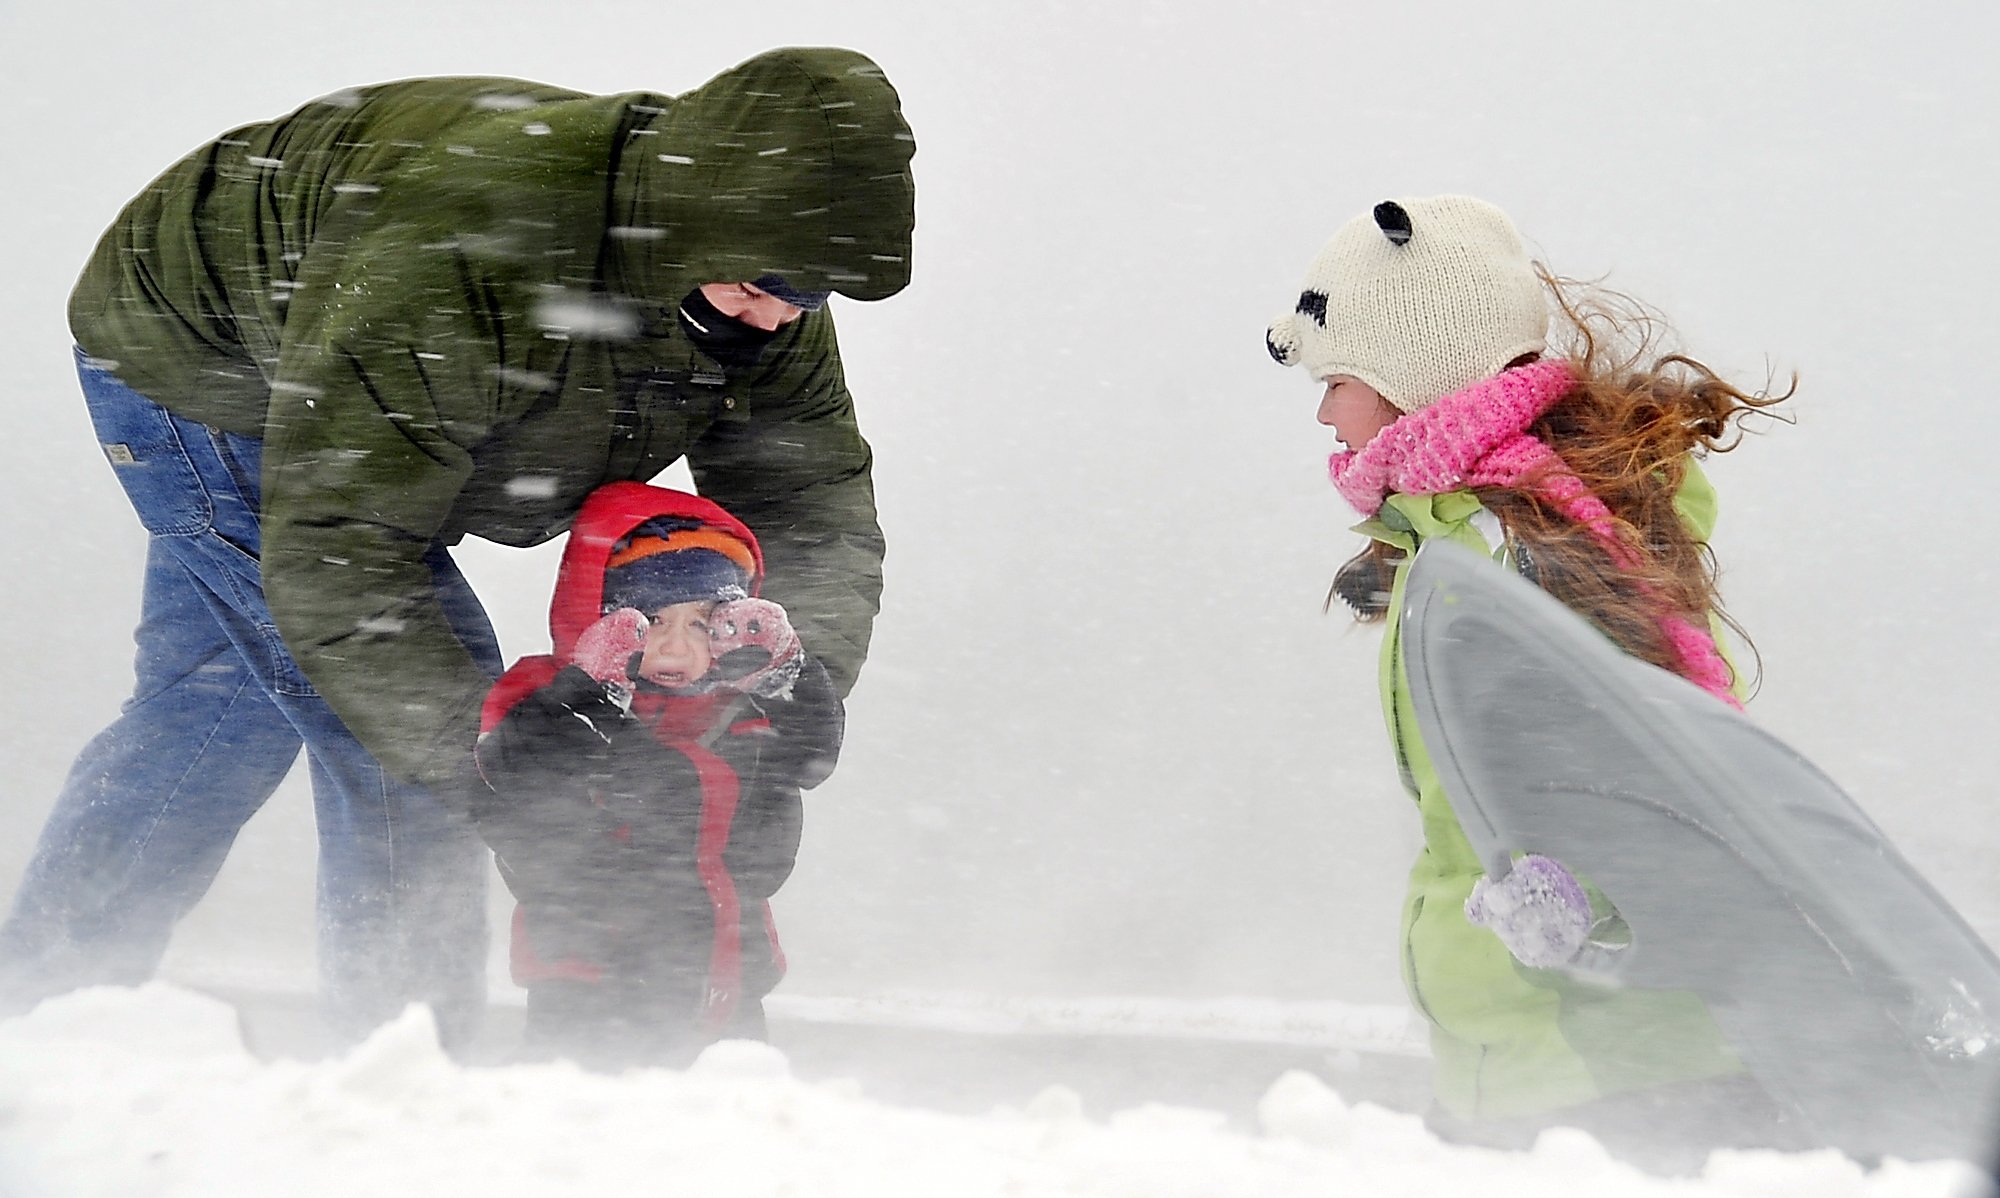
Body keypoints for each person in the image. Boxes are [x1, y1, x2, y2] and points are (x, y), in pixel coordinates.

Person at [0, 47, 913, 1048]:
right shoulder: (469, 250)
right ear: (702, 224)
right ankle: (404, 1079)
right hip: (210, 361)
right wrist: (498, 759)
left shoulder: (761, 282)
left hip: (354, 381)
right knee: (426, 728)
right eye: (757, 284)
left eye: (808, 295)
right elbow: (346, 545)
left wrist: (793, 674)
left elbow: (805, 494)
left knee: (218, 710)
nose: (775, 314)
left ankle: (41, 1014)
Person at [1265, 195, 1804, 1168]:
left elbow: (1667, 756)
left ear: (1415, 372)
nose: (1323, 411)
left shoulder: (1531, 542)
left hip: (1613, 1068)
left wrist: (1583, 902)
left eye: (1336, 378)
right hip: (1540, 1056)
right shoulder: (1467, 531)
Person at [469, 481, 842, 1068]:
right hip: (587, 972)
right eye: (649, 621)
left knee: (730, 1103)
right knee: (581, 1103)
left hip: (729, 969)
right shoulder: (544, 695)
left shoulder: (736, 704)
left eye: (701, 623)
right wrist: (587, 696)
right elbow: (509, 792)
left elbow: (811, 756)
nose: (673, 648)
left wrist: (786, 677)